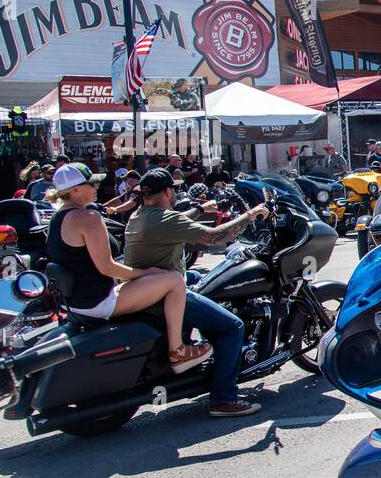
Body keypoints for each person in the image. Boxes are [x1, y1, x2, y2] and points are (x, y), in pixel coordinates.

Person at [123, 169, 272, 417]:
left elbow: (177, 222)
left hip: (151, 287)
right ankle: (224, 398)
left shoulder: (140, 216)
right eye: (175, 189)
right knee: (232, 327)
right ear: (168, 192)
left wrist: (202, 209)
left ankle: (208, 353)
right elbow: (215, 238)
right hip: (164, 295)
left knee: (205, 280)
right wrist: (250, 215)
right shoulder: (163, 220)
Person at [45, 163, 210, 373]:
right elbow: (107, 267)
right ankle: (177, 350)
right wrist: (144, 273)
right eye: (92, 183)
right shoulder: (88, 218)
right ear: (75, 189)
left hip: (77, 303)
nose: (97, 186)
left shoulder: (57, 217)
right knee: (175, 279)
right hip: (100, 301)